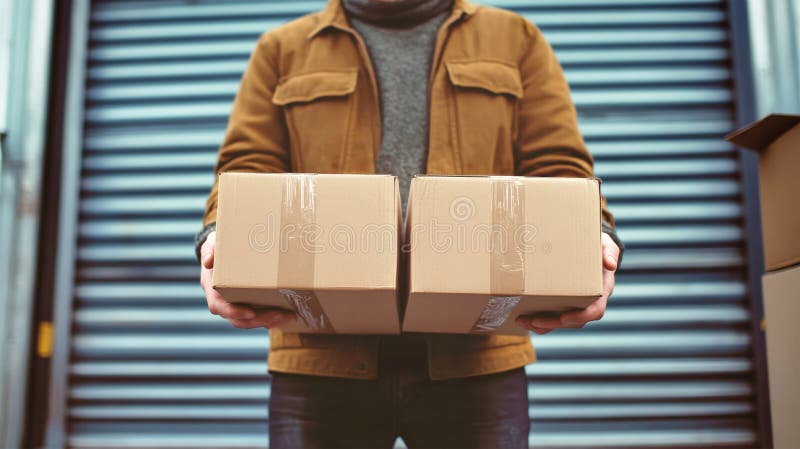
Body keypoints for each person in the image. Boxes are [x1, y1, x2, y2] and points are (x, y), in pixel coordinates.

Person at [196, 0, 623, 447]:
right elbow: (247, 168)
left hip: (476, 361)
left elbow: (558, 164)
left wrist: (593, 237)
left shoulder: (515, 39)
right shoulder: (283, 48)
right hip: (320, 358)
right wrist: (220, 238)